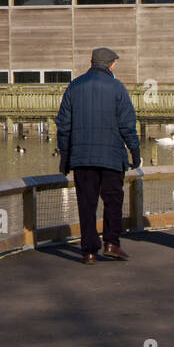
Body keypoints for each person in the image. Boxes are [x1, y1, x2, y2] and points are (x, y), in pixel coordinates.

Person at [55, 47, 141, 265]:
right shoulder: (117, 87)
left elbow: (64, 125)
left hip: (82, 157)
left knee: (87, 203)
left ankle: (89, 251)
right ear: (111, 65)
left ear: (91, 63)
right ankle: (111, 243)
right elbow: (127, 124)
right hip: (111, 157)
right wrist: (135, 151)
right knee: (113, 200)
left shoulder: (74, 87)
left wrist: (65, 156)